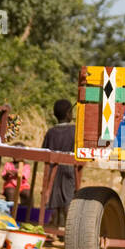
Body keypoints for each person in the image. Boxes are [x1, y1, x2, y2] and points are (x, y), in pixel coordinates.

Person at [39, 98, 76, 232]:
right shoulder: (74, 131)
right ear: (68, 114)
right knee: (68, 199)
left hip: (52, 169)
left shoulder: (51, 132)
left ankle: (52, 228)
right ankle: (68, 230)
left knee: (53, 198)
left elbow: (44, 150)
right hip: (69, 168)